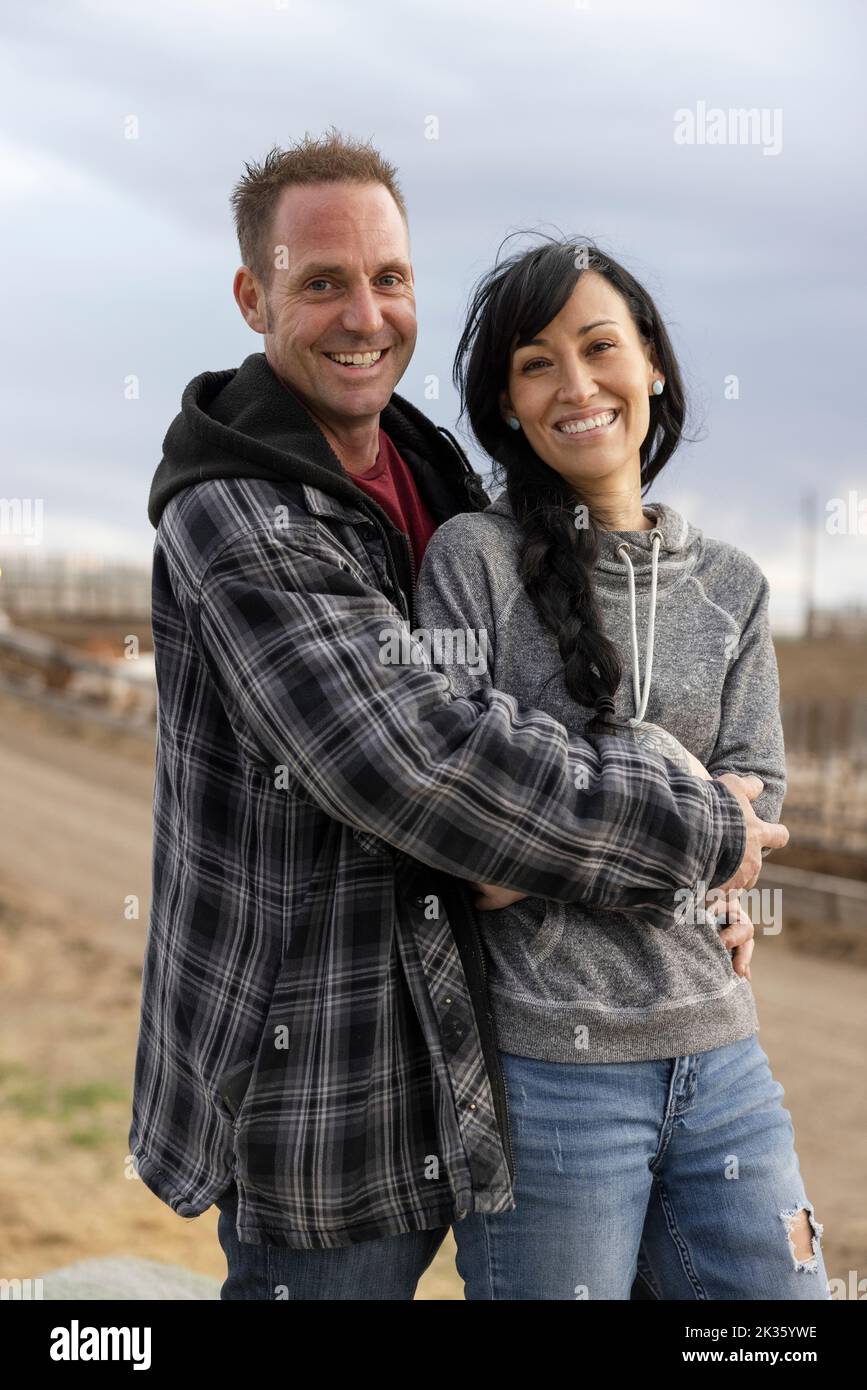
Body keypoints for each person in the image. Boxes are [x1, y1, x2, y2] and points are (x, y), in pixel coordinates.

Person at [128, 132, 784, 1301]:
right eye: (321, 281)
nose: (363, 312)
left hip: (465, 1050)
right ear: (253, 295)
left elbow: (556, 717)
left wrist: (713, 877)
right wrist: (696, 831)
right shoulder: (232, 509)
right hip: (321, 1077)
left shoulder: (427, 475)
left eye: (389, 278)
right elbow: (418, 762)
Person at [415, 236, 828, 1300]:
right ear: (507, 404)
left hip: (723, 1056)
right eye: (536, 363)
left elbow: (756, 818)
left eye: (601, 347)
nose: (576, 384)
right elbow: (468, 836)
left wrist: (566, 832)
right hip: (550, 1070)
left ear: (652, 365)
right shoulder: (474, 561)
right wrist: (682, 818)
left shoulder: (731, 587)